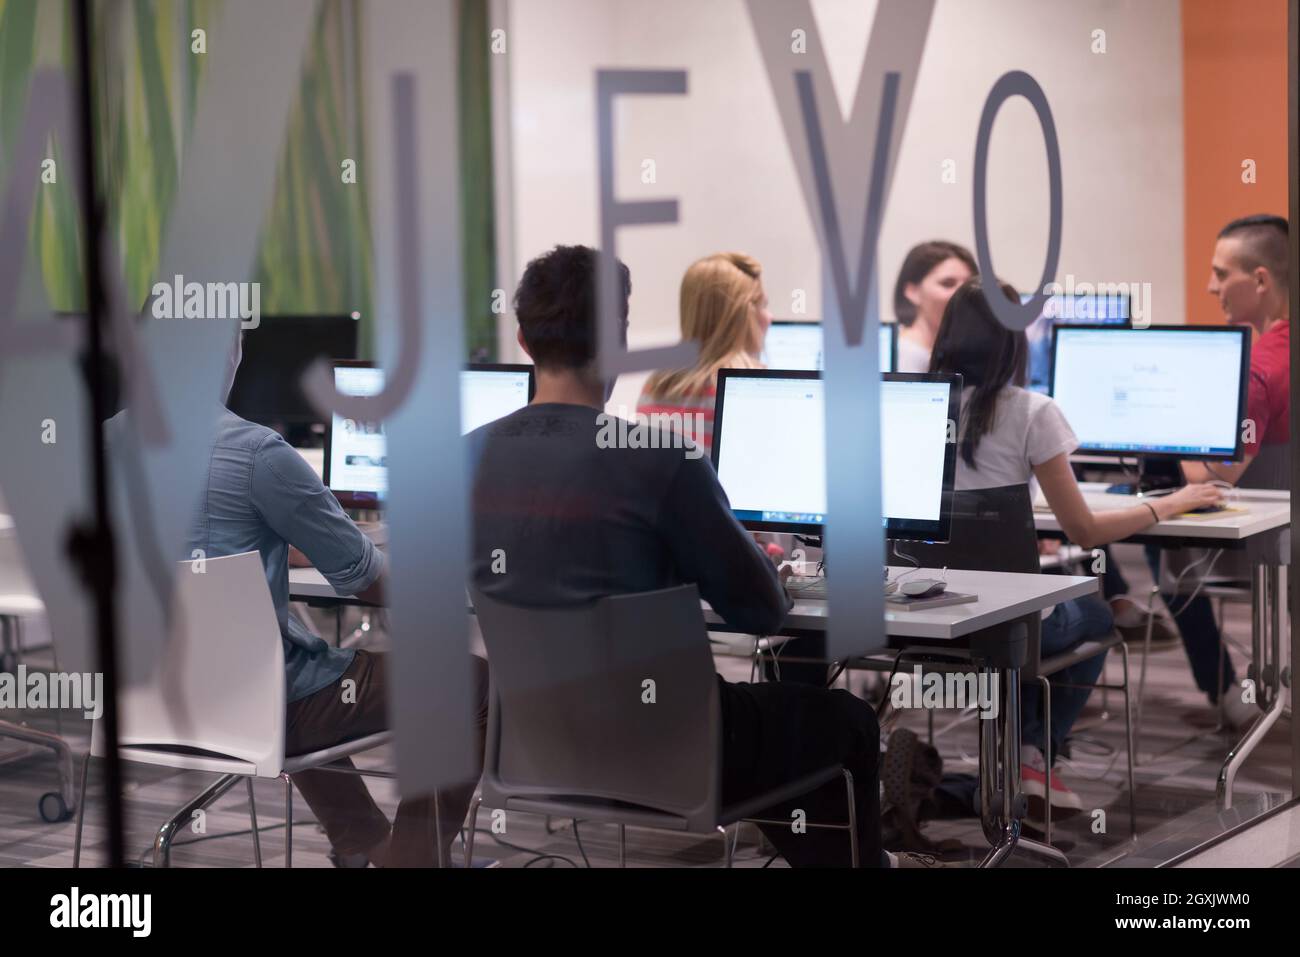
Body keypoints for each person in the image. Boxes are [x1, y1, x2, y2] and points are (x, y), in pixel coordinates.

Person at [468, 244, 919, 867]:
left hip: (530, 747)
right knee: (843, 720)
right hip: (674, 748)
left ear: (521, 338)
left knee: (783, 722)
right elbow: (761, 612)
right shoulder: (661, 461)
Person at [171, 331, 488, 867]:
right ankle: (410, 861)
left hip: (147, 693)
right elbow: (366, 577)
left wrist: (280, 544)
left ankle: (366, 846)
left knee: (296, 660)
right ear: (231, 353)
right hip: (260, 701)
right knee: (475, 684)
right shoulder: (257, 453)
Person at [928, 279, 1222, 830]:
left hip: (922, 618)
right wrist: (1172, 504)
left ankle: (1018, 761)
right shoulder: (1031, 412)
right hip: (1001, 620)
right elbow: (1084, 530)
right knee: (1095, 611)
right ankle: (1031, 757)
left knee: (1048, 613)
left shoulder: (910, 405)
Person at [1154, 214, 1291, 727]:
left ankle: (1224, 690)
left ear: (1259, 279)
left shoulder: (1258, 369)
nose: (1211, 287)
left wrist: (1172, 431)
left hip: (1262, 544)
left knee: (1151, 537)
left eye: (1220, 274)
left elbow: (1216, 478)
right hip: (1283, 533)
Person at [636, 251, 772, 456]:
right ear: (745, 314)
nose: (769, 317)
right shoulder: (752, 388)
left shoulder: (654, 386)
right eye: (763, 305)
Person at [893, 240, 978, 373]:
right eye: (948, 283)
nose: (963, 293)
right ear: (912, 291)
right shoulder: (897, 358)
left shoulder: (965, 356)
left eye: (969, 285)